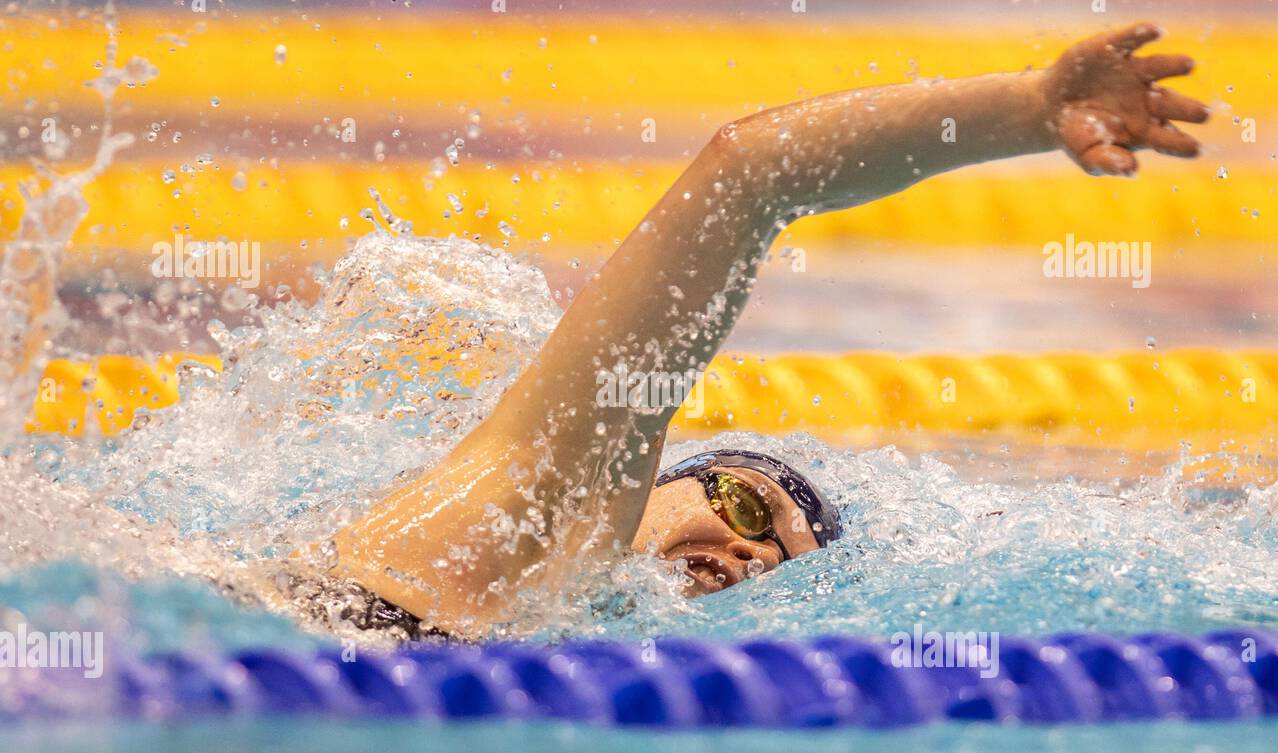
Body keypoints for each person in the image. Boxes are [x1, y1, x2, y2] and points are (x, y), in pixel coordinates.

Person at [325, 23, 1207, 639]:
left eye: (776, 560)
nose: (749, 550)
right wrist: (1026, 107)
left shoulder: (557, 633)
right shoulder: (534, 513)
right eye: (749, 505)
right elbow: (748, 174)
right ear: (656, 477)